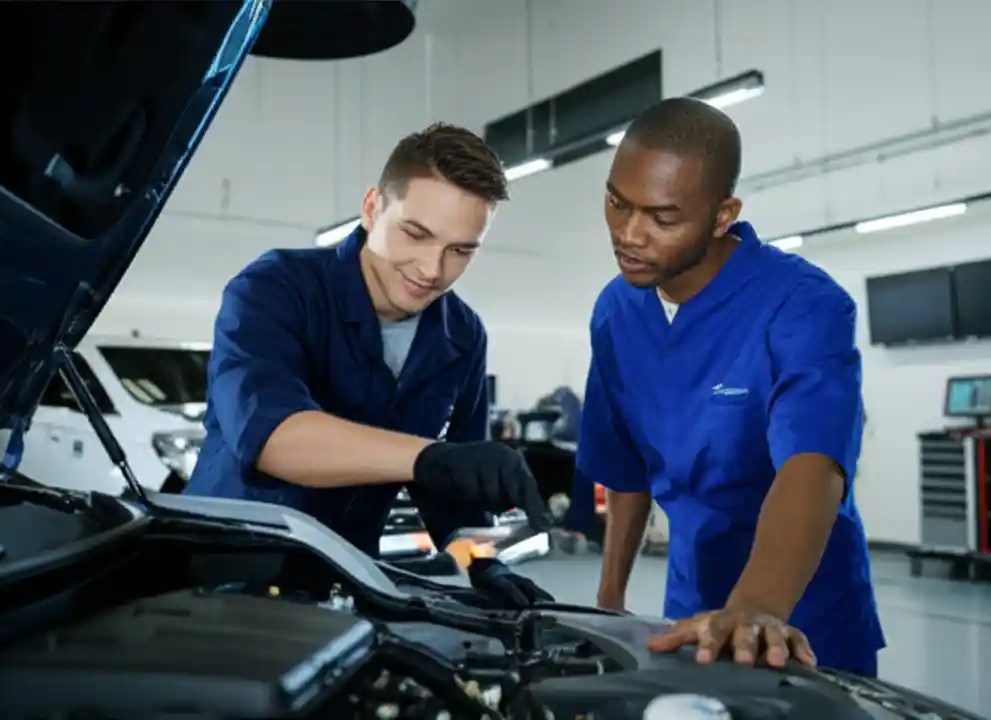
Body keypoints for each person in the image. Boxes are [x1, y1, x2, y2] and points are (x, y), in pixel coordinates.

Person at [575, 98, 885, 676]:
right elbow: (624, 471)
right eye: (617, 204)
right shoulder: (617, 311)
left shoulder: (803, 305)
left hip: (801, 618)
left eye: (663, 219)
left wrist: (757, 608)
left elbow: (813, 465)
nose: (629, 234)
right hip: (689, 612)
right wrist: (609, 604)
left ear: (722, 215)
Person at [185, 123, 553, 609]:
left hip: (348, 581)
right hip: (222, 572)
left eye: (460, 250)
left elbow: (455, 494)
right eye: (415, 234)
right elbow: (273, 438)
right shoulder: (275, 289)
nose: (431, 269)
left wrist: (484, 561)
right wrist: (428, 457)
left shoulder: (463, 336)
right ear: (372, 207)